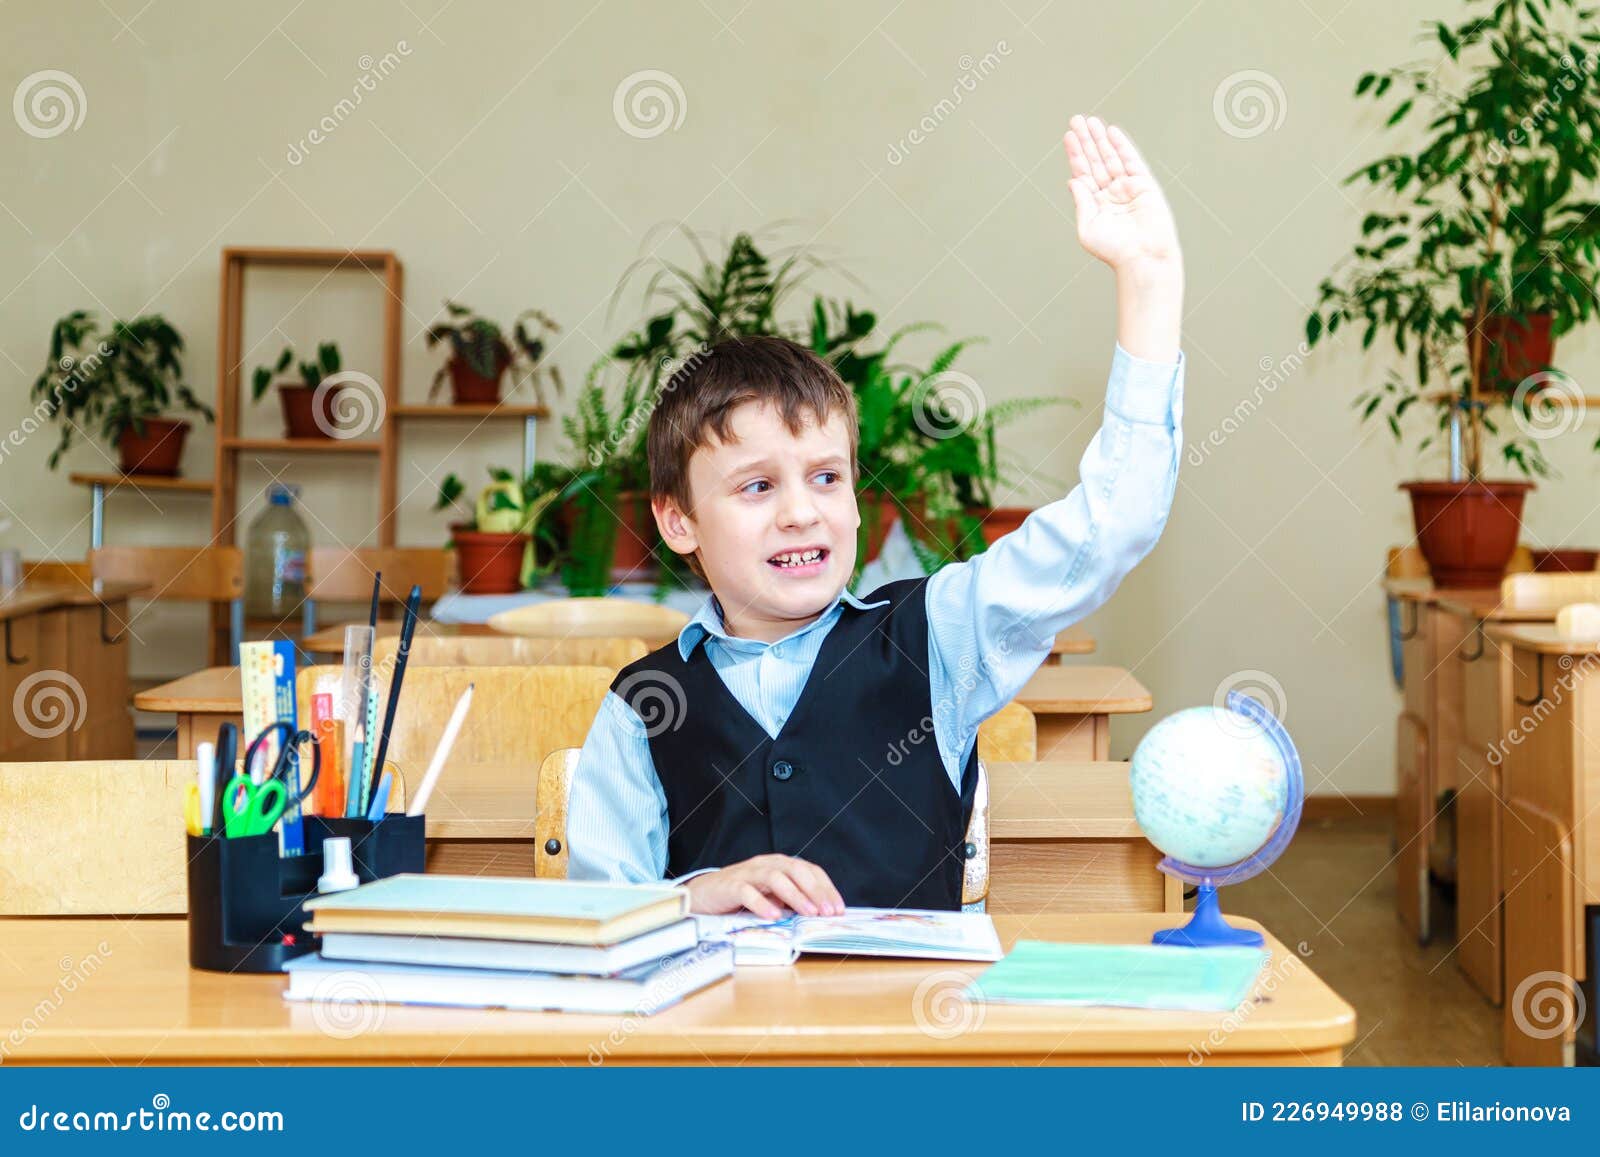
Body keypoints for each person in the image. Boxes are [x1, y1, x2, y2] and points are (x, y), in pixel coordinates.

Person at [568, 114, 1185, 917]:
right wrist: (697, 895)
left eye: (826, 477)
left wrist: (1150, 280)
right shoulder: (640, 704)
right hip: (718, 1041)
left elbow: (1113, 525)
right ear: (678, 520)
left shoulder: (940, 635)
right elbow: (595, 922)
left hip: (910, 1032)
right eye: (756, 487)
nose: (801, 512)